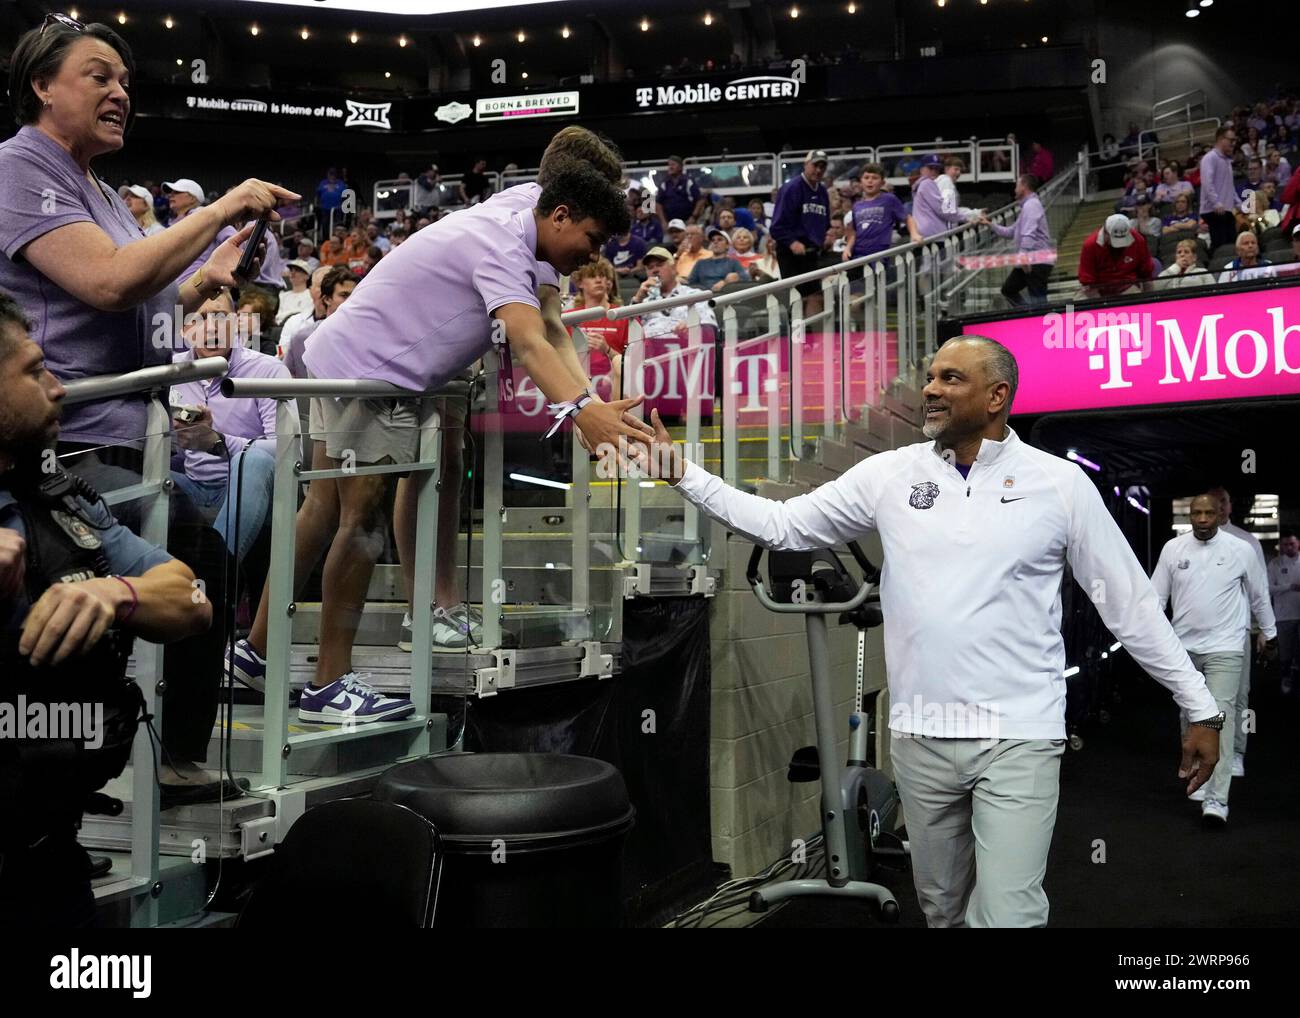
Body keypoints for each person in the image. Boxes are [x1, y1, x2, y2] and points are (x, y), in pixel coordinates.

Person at [630, 334, 1222, 927]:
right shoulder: (890, 473)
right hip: (919, 733)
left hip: (1019, 731)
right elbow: (783, 526)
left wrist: (1199, 706)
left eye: (950, 379)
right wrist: (681, 472)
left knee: (1010, 915)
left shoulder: (1061, 485)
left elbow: (1130, 604)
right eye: (931, 376)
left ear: (997, 396)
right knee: (942, 910)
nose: (931, 390)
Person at [229, 164, 648, 724]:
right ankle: (328, 686)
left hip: (341, 360)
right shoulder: (504, 247)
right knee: (362, 522)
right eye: (591, 240)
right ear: (562, 214)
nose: (590, 257)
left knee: (323, 509)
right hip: (371, 377)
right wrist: (580, 409)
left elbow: (545, 322)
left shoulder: (521, 206)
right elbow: (528, 337)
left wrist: (585, 403)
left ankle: (255, 653)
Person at [0, 14, 294, 802]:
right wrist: (219, 210)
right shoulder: (19, 168)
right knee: (78, 621)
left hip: (130, 438)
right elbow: (105, 282)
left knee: (195, 578)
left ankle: (147, 767)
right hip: (71, 444)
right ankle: (51, 783)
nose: (120, 91)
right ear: (41, 86)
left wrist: (207, 274)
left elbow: (138, 302)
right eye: (99, 75)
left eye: (125, 80)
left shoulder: (95, 187)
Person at [0, 291, 212, 927]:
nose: (58, 387)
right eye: (36, 371)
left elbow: (191, 599)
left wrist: (115, 592)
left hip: (45, 860)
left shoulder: (57, 501)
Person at [1152, 494, 1276, 826]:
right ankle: (1196, 772)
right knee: (1191, 712)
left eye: (1209, 512)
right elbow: (1155, 600)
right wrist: (1151, 641)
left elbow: (1259, 594)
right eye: (1197, 513)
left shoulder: (1241, 550)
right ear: (1190, 516)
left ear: (1220, 515)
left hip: (1226, 647)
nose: (1203, 518)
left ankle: (1217, 799)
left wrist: (1270, 631)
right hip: (1184, 648)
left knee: (1219, 716)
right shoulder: (1173, 550)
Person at [169, 291, 288, 564]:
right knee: (131, 472)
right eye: (199, 319)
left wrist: (218, 442)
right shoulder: (170, 371)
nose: (211, 327)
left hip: (255, 487)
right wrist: (179, 438)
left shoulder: (267, 370)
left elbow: (286, 447)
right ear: (184, 329)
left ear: (235, 323)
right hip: (192, 484)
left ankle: (217, 577)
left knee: (255, 460)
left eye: (220, 317)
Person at [1206, 486, 1270, 772]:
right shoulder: (1189, 544)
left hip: (1236, 633)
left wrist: (1262, 629)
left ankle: (1235, 751)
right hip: (1201, 632)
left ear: (1230, 507)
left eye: (1223, 502)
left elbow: (1260, 590)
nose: (1218, 507)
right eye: (1213, 502)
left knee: (1239, 694)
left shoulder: (1246, 542)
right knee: (1202, 696)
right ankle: (1205, 751)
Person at [770, 150, 831, 316]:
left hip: (811, 252)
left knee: (814, 295)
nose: (818, 170)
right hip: (790, 252)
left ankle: (813, 339)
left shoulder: (822, 191)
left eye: (822, 167)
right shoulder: (791, 188)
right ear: (806, 164)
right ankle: (796, 338)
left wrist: (824, 237)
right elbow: (776, 226)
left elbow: (825, 221)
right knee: (796, 297)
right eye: (815, 165)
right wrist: (791, 242)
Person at [980, 173, 1052, 307]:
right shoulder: (1027, 207)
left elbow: (1029, 233)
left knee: (1038, 301)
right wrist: (989, 224)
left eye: (1017, 185)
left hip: (1036, 260)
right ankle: (1028, 317)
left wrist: (1023, 256)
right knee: (1009, 290)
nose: (1014, 189)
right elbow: (1011, 232)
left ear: (1024, 186)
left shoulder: (1031, 205)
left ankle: (1037, 321)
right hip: (1031, 259)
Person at [631, 247, 718, 338]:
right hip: (649, 350)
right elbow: (626, 334)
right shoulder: (642, 303)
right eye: (650, 268)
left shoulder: (695, 295)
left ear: (673, 267)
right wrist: (637, 300)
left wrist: (694, 329)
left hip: (685, 348)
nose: (655, 270)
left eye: (660, 265)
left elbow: (711, 330)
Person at [1077, 215, 1153, 298]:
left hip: (1127, 288)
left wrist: (1149, 299)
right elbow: (1087, 280)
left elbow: (1146, 272)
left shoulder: (1138, 239)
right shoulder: (1090, 245)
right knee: (1070, 306)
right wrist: (1101, 304)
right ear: (1106, 233)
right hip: (1096, 289)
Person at [1268, 531, 1300, 696]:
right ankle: (1286, 676)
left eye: (1292, 544)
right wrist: (1290, 587)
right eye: (1286, 544)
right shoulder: (1275, 564)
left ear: (1298, 544)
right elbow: (1269, 589)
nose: (1289, 547)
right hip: (1284, 616)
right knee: (1286, 652)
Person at [1200, 126, 1239, 251]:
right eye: (1231, 140)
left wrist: (1239, 203)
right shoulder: (1210, 158)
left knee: (1232, 245)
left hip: (1225, 210)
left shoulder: (1227, 161)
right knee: (1221, 248)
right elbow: (1207, 182)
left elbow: (1229, 187)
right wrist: (1216, 202)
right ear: (1221, 139)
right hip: (1214, 210)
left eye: (1234, 141)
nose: (1233, 144)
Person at [687, 228, 744, 292]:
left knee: (733, 276)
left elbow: (746, 280)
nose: (715, 242)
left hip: (725, 296)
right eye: (712, 240)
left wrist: (726, 283)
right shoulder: (701, 263)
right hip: (703, 296)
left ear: (727, 245)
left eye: (720, 239)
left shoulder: (733, 263)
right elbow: (690, 283)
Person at [655, 155, 704, 229]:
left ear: (680, 167)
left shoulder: (688, 181)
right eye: (669, 165)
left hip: (687, 222)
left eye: (673, 164)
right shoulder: (664, 183)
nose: (670, 167)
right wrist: (663, 221)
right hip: (670, 223)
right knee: (667, 240)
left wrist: (693, 217)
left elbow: (700, 200)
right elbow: (658, 204)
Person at [277, 259, 315, 324]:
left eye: (297, 270)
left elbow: (305, 315)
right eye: (291, 270)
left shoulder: (311, 294)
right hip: (277, 326)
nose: (292, 273)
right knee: (256, 314)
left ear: (307, 276)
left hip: (297, 327)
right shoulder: (283, 295)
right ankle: (255, 334)